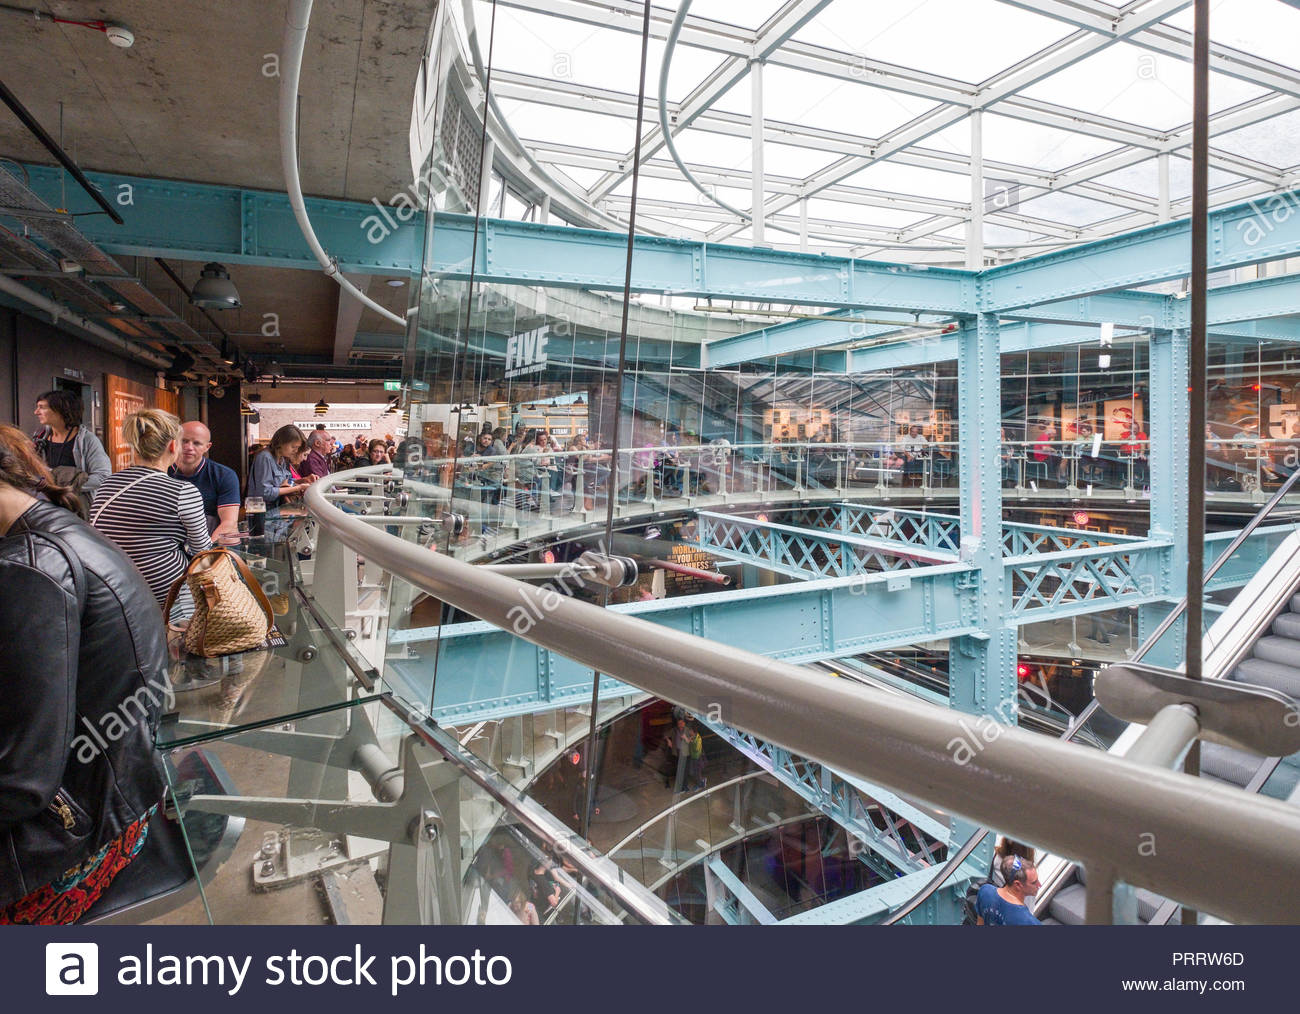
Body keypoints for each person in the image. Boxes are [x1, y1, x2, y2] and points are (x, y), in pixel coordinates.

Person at [0, 425, 168, 924]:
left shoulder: (32, 566)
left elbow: (22, 780)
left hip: (76, 837)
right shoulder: (56, 535)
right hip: (120, 803)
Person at [90, 409, 211, 618]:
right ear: (173, 446)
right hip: (166, 599)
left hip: (114, 591)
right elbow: (202, 550)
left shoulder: (108, 484)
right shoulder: (182, 491)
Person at [32, 389, 111, 506]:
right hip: (47, 507)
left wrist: (65, 486)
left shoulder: (87, 440)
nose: (36, 412)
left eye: (42, 407)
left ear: (60, 410)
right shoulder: (39, 438)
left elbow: (103, 476)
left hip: (77, 509)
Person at [167, 421, 241, 543]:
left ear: (207, 447)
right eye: (184, 441)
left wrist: (205, 552)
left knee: (232, 534)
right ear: (175, 442)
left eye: (196, 443)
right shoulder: (162, 471)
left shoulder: (224, 475)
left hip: (210, 539)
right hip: (169, 542)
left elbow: (229, 522)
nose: (189, 447)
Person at [249, 424, 315, 541]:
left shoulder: (282, 459)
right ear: (281, 442)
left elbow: (283, 483)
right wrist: (298, 487)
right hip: (261, 514)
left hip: (277, 513)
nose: (296, 450)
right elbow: (266, 492)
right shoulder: (265, 457)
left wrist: (303, 480)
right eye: (293, 447)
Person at [975, 855, 1042, 925]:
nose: (1039, 885)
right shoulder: (1029, 922)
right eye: (1034, 882)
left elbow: (980, 923)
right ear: (1017, 885)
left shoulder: (985, 891)